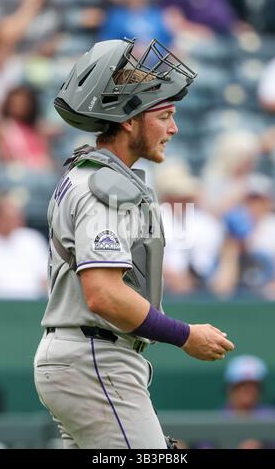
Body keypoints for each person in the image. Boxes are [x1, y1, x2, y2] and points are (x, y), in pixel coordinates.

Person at [33, 38, 235, 449]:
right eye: (164, 115)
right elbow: (104, 296)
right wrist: (185, 335)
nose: (174, 129)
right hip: (95, 358)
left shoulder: (97, 176)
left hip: (87, 358)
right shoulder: (104, 186)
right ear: (129, 120)